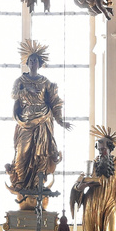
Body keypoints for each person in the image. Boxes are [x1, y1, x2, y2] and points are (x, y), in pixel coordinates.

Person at [5, 40, 71, 207]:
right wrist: (26, 90)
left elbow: (55, 102)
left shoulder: (46, 82)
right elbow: (13, 95)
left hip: (42, 121)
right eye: (31, 60)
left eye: (36, 60)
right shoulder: (20, 80)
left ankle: (37, 185)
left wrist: (61, 120)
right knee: (22, 154)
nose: (33, 63)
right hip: (25, 121)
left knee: (40, 155)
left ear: (40, 64)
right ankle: (21, 185)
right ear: (27, 63)